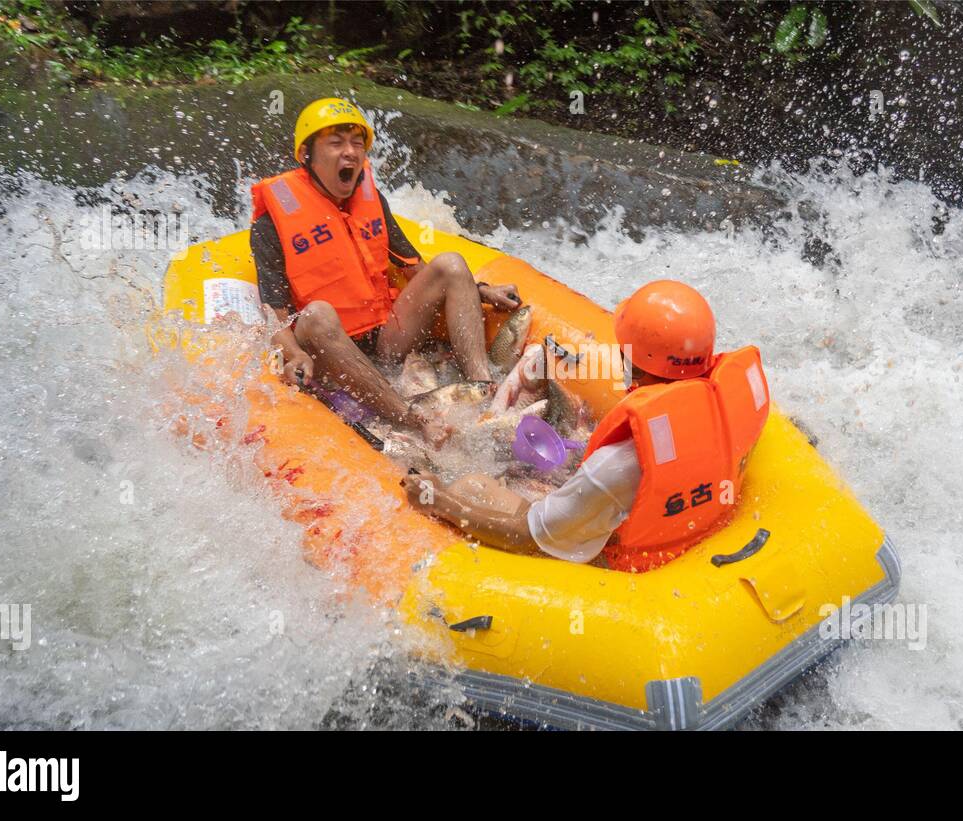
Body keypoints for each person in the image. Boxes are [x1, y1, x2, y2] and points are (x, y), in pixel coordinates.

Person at [402, 281, 771, 573]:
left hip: (626, 564)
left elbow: (526, 536)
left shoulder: (618, 462)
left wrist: (441, 500)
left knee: (472, 487)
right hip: (688, 536)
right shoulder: (727, 403)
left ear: (632, 364)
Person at [251, 98, 521, 446]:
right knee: (317, 314)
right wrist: (296, 355)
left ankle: (484, 390)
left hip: (385, 336)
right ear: (307, 155)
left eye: (357, 143)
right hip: (330, 348)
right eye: (336, 143)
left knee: (452, 263)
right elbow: (274, 311)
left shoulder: (371, 198)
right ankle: (412, 419)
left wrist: (481, 290)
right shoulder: (270, 223)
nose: (350, 153)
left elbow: (414, 267)